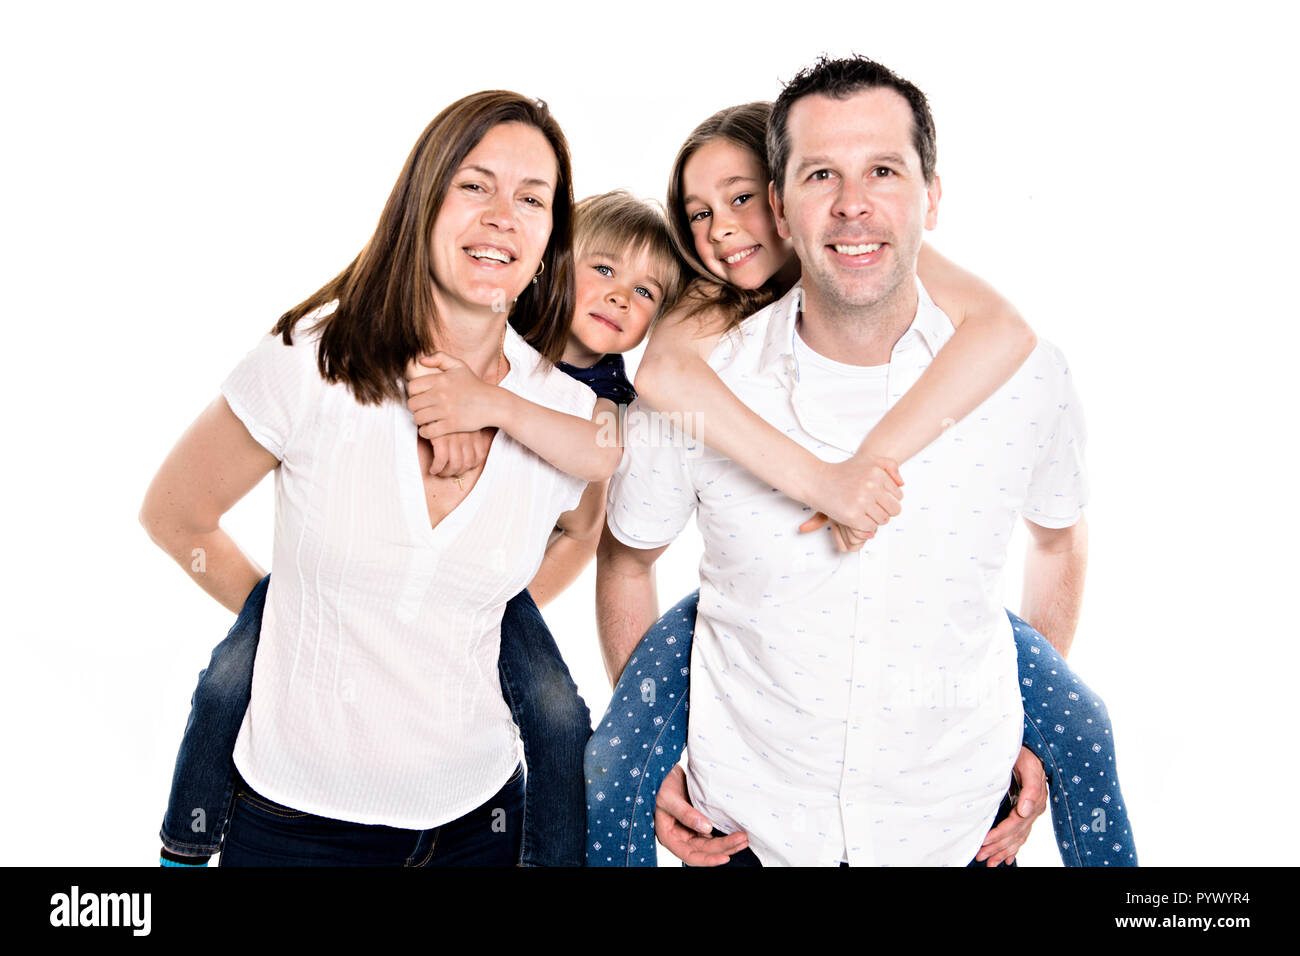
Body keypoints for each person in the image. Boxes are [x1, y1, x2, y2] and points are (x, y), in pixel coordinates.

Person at [593, 56, 1132, 867]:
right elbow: (629, 556)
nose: (851, 204)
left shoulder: (1020, 370)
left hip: (958, 833)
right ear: (786, 204)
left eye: (883, 170)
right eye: (819, 176)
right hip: (748, 830)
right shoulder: (699, 378)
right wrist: (653, 748)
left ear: (932, 194)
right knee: (604, 766)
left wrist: (1031, 732)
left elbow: (1059, 537)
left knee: (1086, 729)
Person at [141, 91, 629, 866]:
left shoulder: (566, 411)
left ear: (549, 242)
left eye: (532, 198)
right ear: (421, 200)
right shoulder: (313, 361)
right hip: (293, 828)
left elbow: (582, 530)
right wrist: (296, 616)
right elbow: (177, 515)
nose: (504, 214)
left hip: (481, 826)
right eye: (475, 184)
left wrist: (456, 622)